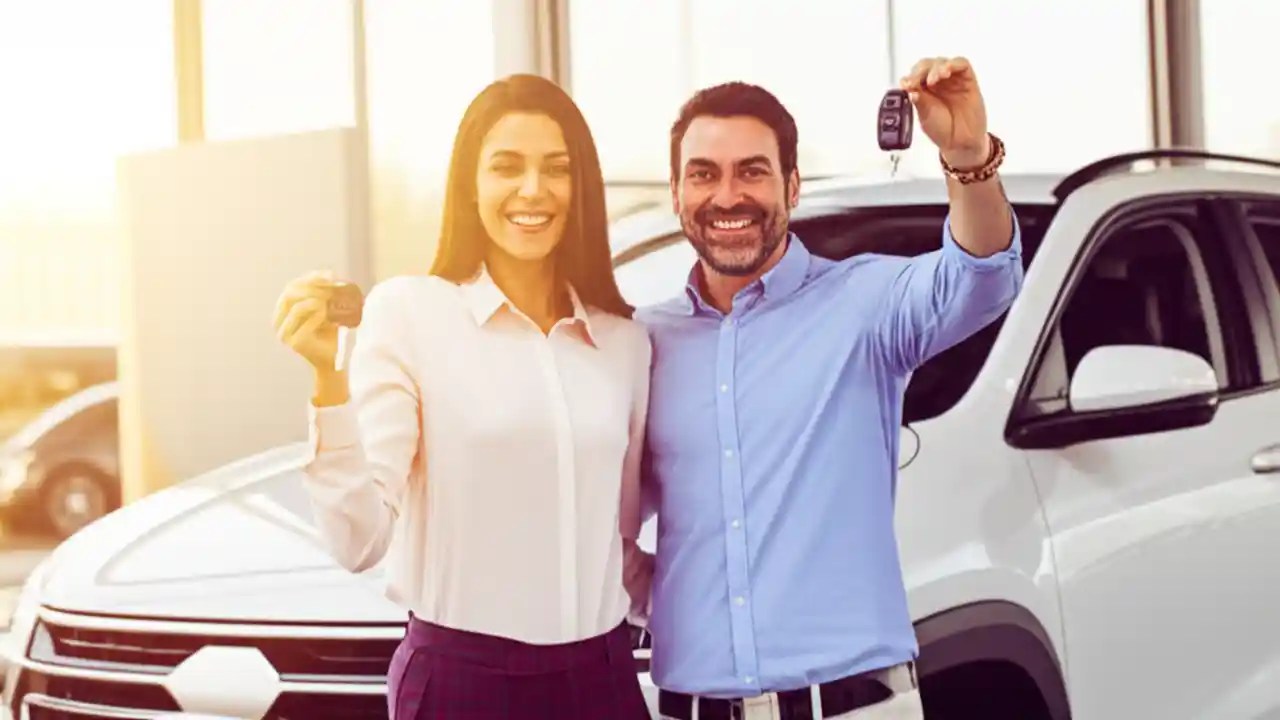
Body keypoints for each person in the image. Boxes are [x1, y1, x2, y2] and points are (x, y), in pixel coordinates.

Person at [637, 57, 1023, 719]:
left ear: (791, 187)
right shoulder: (642, 344)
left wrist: (968, 158)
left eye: (752, 171)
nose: (727, 195)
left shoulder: (863, 303)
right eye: (704, 173)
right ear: (676, 193)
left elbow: (982, 276)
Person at [271, 73, 653, 719]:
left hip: (603, 682)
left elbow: (617, 543)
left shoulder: (624, 343)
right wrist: (326, 382)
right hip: (462, 687)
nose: (533, 190)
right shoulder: (410, 313)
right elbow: (358, 541)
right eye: (507, 167)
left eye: (556, 169)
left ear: (580, 186)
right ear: (470, 188)